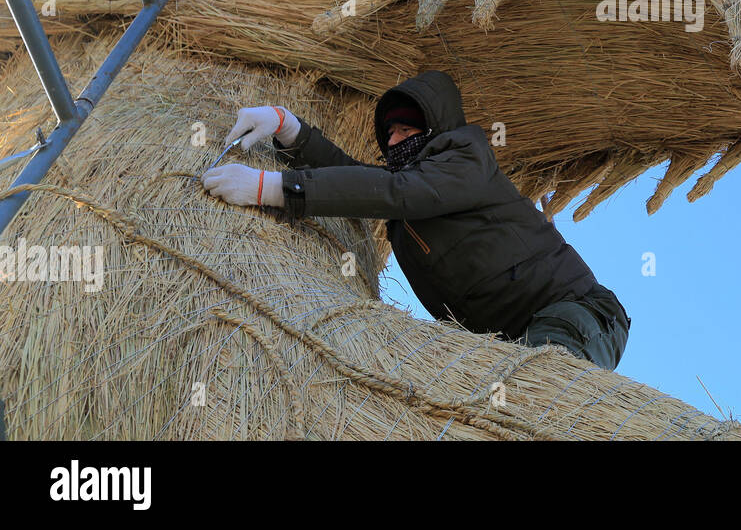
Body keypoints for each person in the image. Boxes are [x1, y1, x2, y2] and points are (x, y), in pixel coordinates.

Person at [200, 70, 630, 370]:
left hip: (574, 316)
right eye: (388, 135)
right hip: (506, 343)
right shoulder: (415, 191)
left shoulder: (467, 158)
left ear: (435, 129)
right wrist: (289, 127)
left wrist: (269, 188)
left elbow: (390, 191)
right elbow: (363, 181)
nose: (393, 141)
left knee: (540, 401)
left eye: (405, 131)